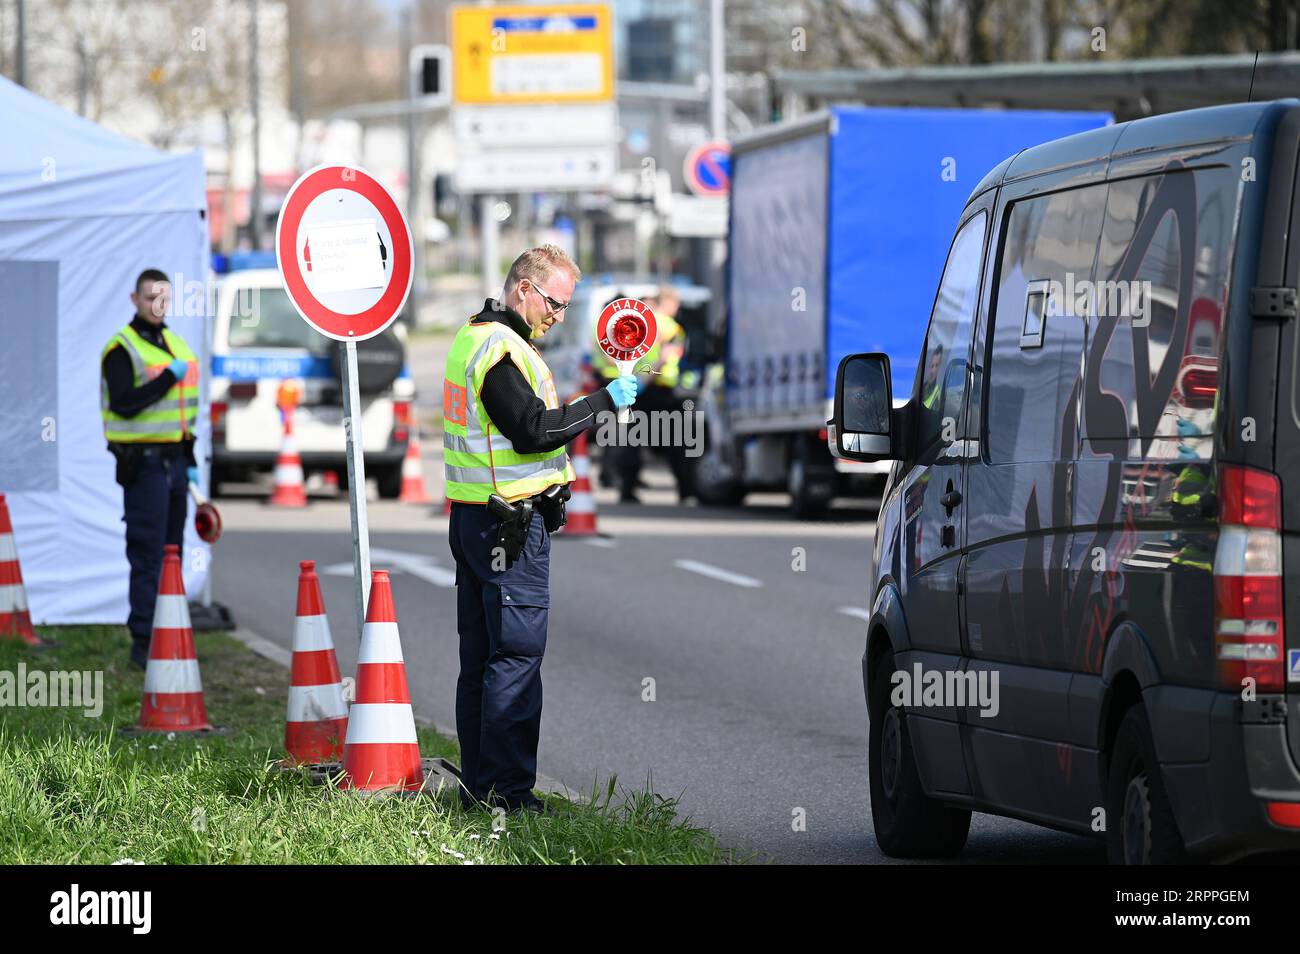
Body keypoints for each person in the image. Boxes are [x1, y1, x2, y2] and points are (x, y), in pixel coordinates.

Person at [443, 245, 639, 813]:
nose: (557, 315)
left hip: (476, 519)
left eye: (565, 307)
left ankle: (480, 788)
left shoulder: (474, 338)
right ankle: (507, 794)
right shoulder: (502, 352)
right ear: (523, 289)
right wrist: (602, 402)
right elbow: (530, 431)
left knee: (482, 660)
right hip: (507, 528)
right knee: (516, 658)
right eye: (553, 303)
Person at [100, 269, 200, 669]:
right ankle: (143, 643)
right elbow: (124, 402)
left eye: (164, 298)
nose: (157, 305)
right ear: (134, 299)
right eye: (149, 298)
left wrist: (189, 462)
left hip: (175, 464)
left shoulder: (175, 344)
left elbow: (182, 414)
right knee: (147, 555)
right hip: (142, 467)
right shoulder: (121, 348)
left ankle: (168, 635)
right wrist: (165, 382)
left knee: (172, 553)